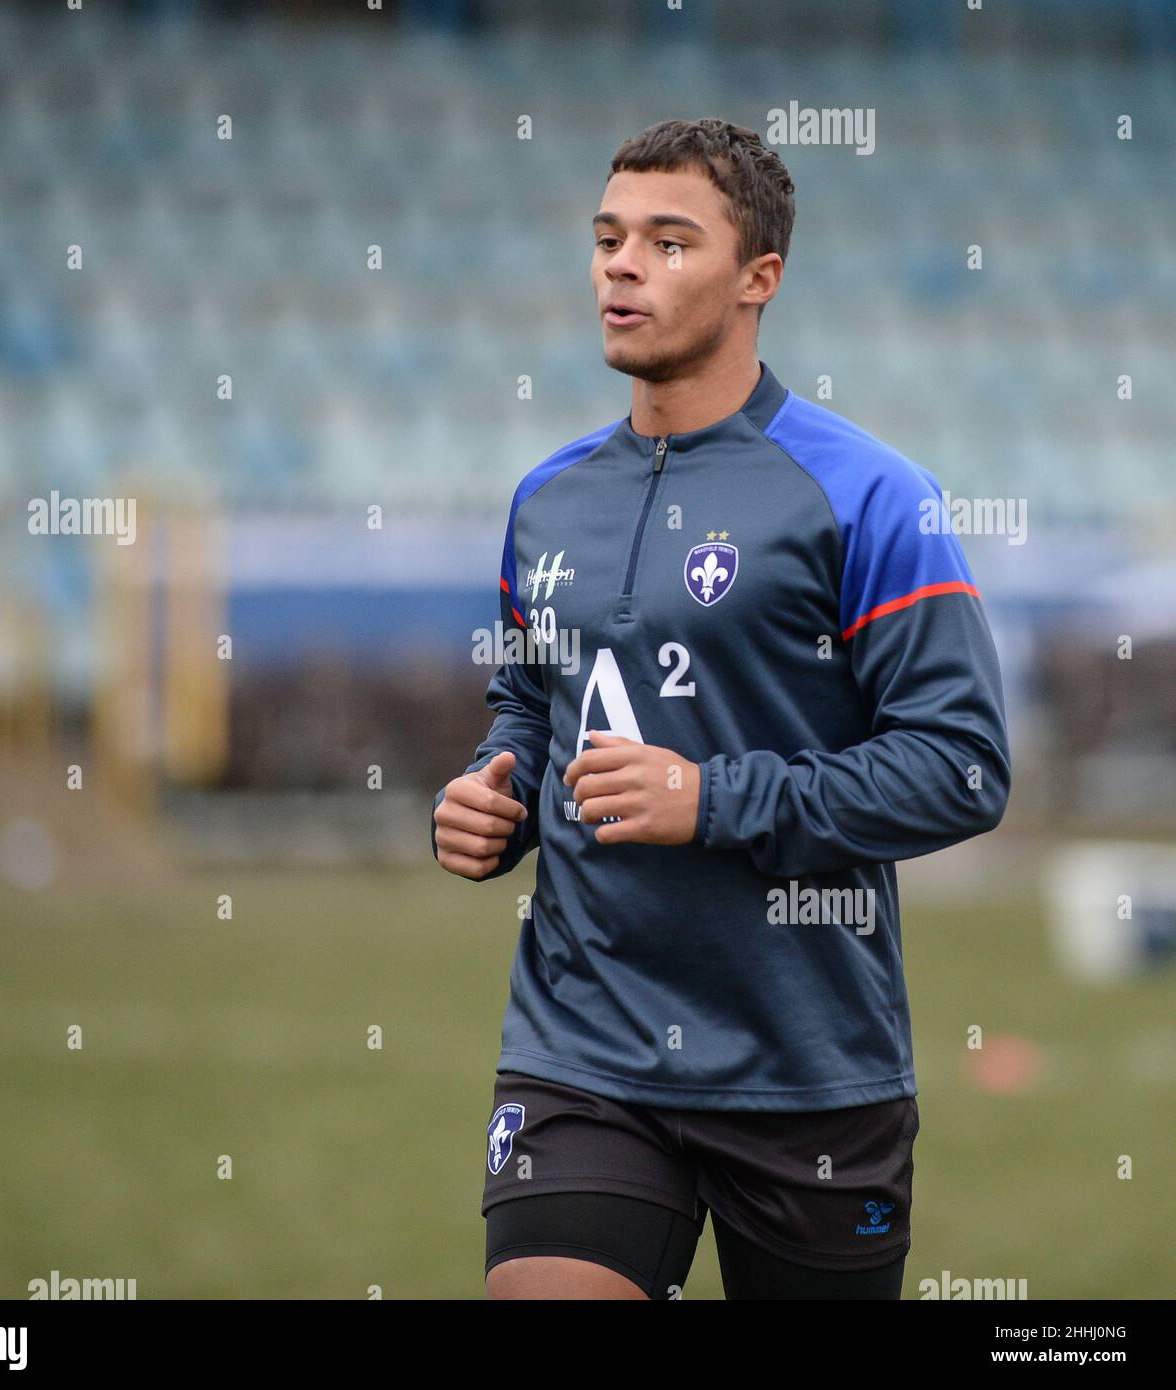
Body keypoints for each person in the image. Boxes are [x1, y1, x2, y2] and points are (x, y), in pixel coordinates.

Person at [431, 117, 1011, 1300]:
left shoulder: (868, 495)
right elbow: (530, 701)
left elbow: (961, 763)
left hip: (808, 1070)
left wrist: (710, 799)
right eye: (606, 238)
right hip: (583, 1045)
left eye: (665, 240)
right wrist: (495, 786)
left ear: (760, 279)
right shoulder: (545, 501)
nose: (620, 265)